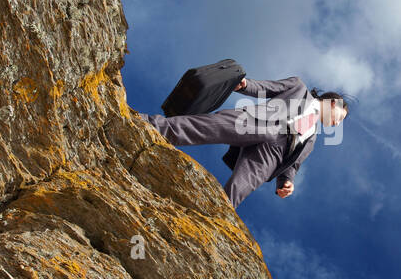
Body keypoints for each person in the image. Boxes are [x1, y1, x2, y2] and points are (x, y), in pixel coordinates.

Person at [142, 75, 350, 208]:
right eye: (339, 118)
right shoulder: (299, 87)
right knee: (205, 127)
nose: (335, 124)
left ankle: (214, 218)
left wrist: (286, 182)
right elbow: (268, 88)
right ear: (333, 103)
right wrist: (245, 85)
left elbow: (293, 165)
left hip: (273, 155)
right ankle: (149, 124)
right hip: (258, 122)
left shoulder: (312, 139)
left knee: (239, 190)